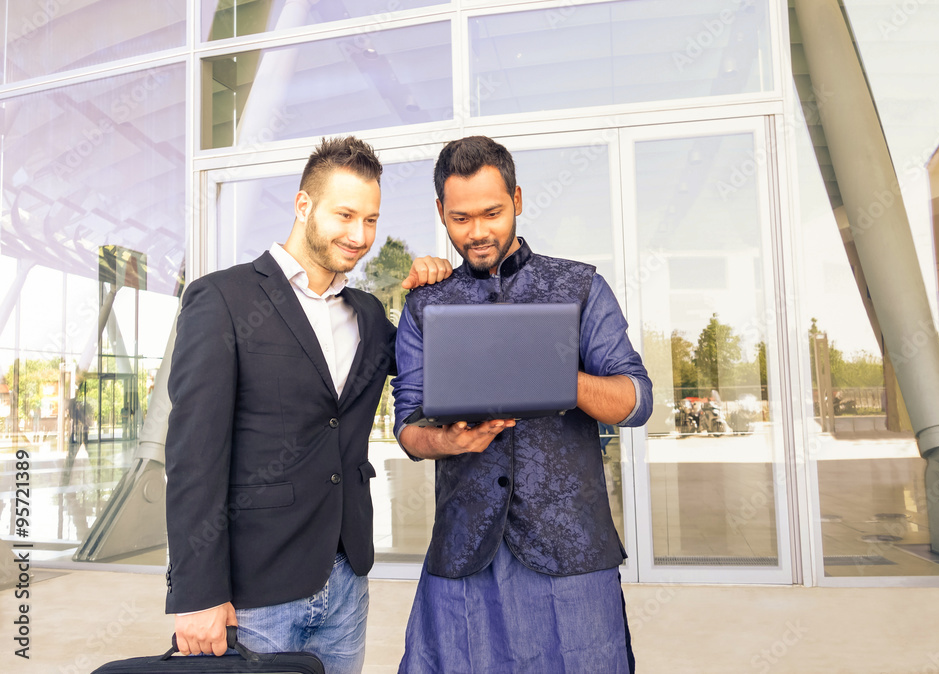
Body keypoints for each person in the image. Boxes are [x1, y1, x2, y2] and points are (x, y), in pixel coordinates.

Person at [163, 136, 452, 674]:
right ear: (304, 206)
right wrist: (196, 592)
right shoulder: (222, 300)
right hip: (254, 595)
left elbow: (431, 367)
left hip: (346, 583)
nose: (360, 235)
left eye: (371, 220)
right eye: (345, 214)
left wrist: (431, 293)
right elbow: (193, 459)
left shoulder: (368, 315)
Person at [391, 136, 653, 673]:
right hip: (465, 552)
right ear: (441, 211)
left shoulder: (579, 287)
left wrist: (549, 371)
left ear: (518, 199)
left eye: (493, 212)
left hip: (572, 547)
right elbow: (408, 424)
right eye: (461, 218)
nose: (479, 231)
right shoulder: (426, 303)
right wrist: (449, 441)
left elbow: (637, 399)